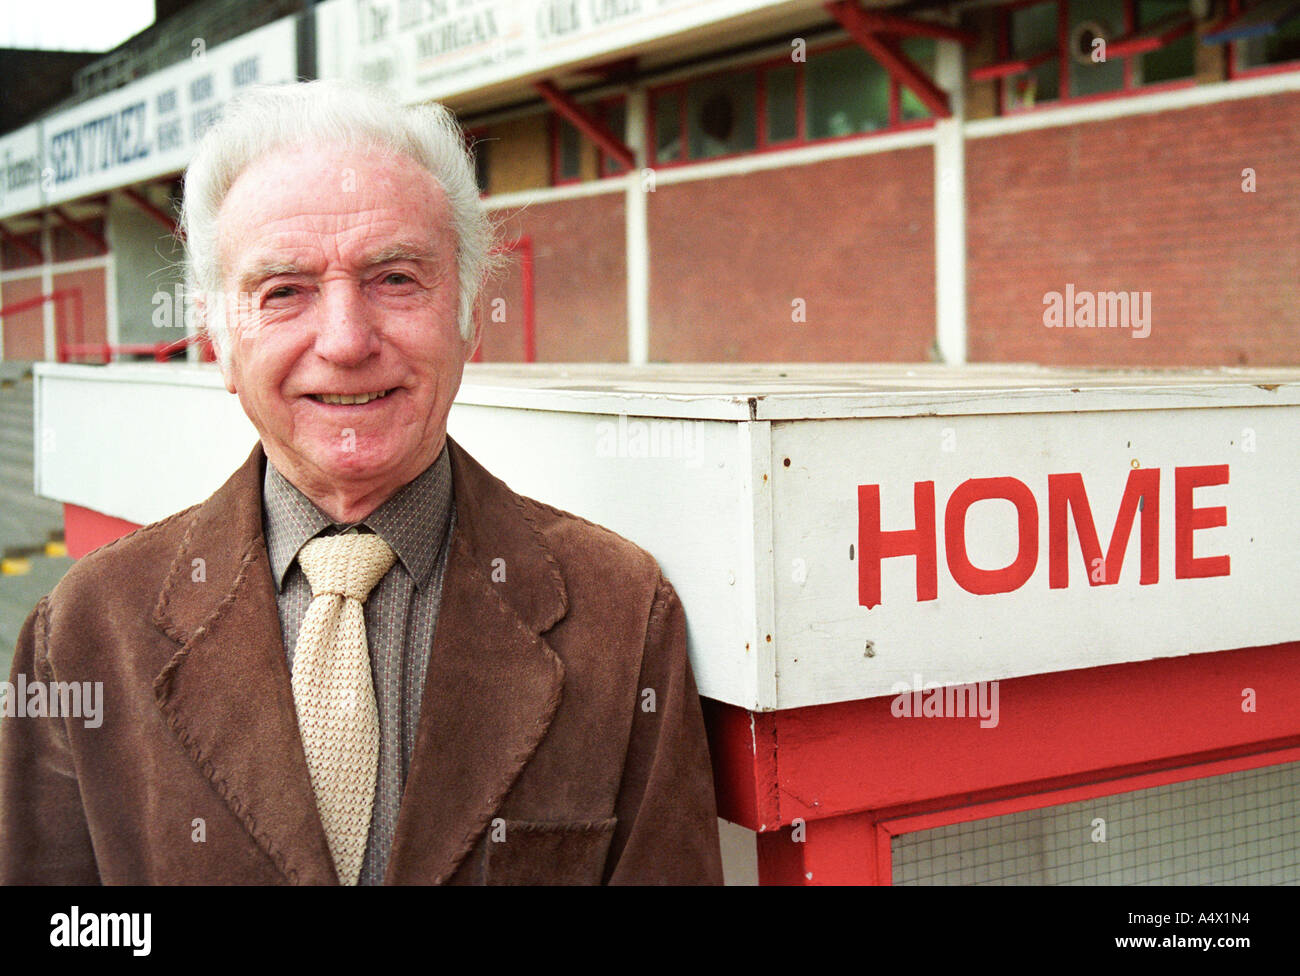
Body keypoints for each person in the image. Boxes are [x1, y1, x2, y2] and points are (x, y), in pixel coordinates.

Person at [0, 80, 724, 885]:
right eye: (284, 292)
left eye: (396, 278)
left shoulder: (621, 617)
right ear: (218, 344)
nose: (345, 341)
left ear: (468, 318)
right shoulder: (83, 634)